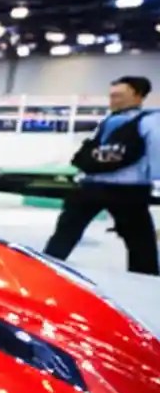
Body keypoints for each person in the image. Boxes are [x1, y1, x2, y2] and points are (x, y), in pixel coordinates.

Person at [44, 76, 160, 275]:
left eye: (120, 96)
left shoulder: (149, 121)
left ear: (139, 96)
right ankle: (44, 267)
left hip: (127, 189)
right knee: (66, 231)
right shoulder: (111, 120)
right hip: (95, 186)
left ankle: (145, 281)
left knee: (139, 240)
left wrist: (154, 179)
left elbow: (156, 151)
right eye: (112, 96)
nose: (114, 100)